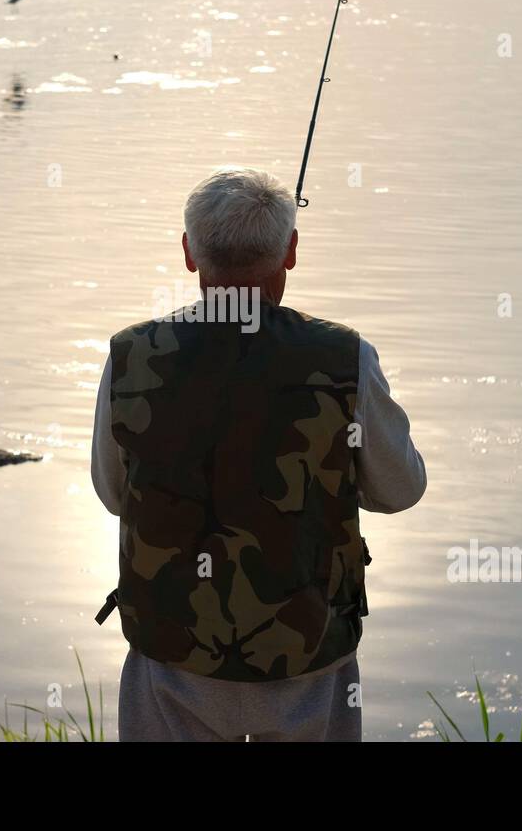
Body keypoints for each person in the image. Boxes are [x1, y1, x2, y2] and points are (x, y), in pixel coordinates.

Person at [90, 167, 427, 741]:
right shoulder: (344, 356)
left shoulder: (131, 356)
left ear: (189, 254)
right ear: (290, 251)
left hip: (174, 651)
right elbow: (400, 490)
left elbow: (114, 492)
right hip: (308, 653)